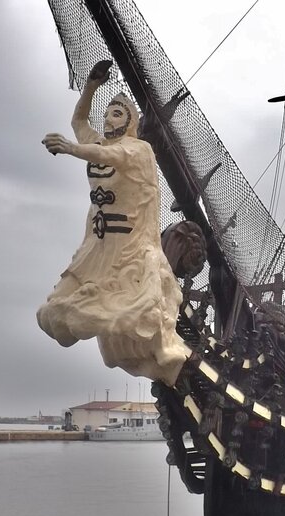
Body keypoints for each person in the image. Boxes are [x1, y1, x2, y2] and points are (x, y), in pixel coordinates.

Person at [37, 61, 186, 386]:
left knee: (135, 310)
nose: (108, 118)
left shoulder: (139, 149)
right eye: (107, 113)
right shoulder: (100, 143)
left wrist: (71, 148)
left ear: (130, 120)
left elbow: (113, 158)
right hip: (98, 241)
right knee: (57, 307)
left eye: (117, 113)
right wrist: (90, 87)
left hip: (131, 243)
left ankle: (160, 350)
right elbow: (79, 120)